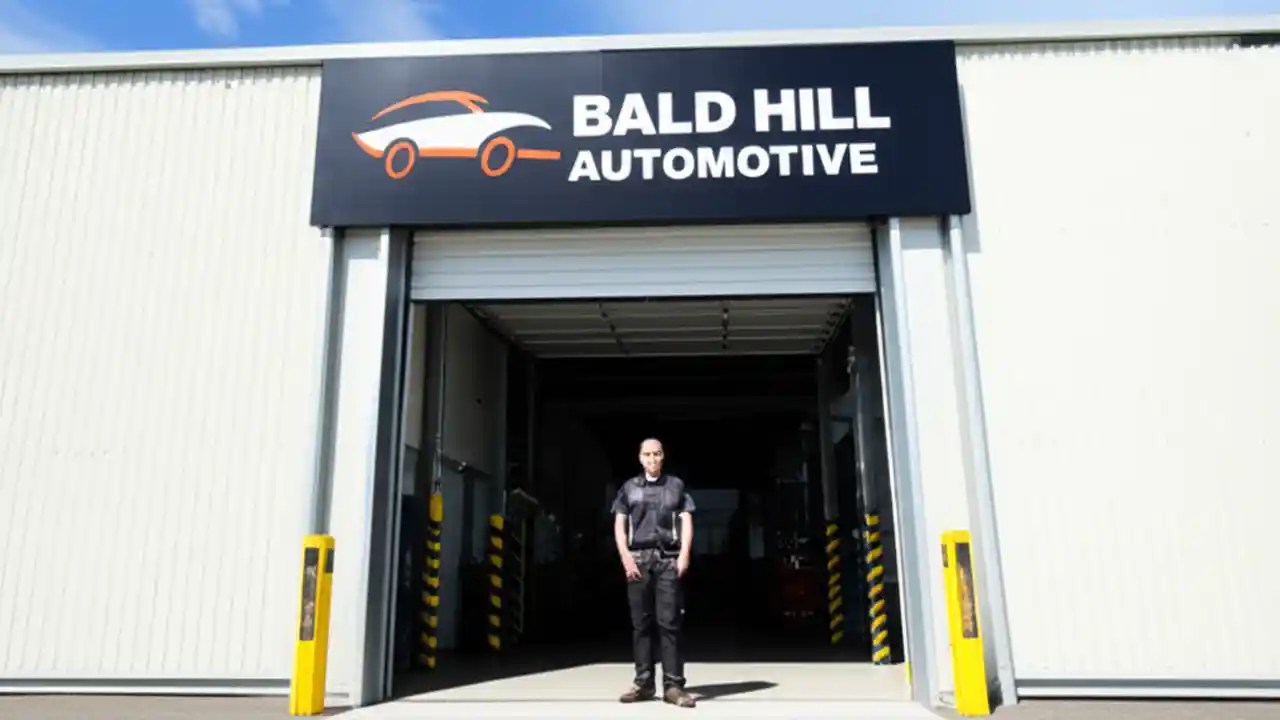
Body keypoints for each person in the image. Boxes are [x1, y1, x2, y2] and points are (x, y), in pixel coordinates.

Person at [611, 437, 697, 708]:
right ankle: (644, 683)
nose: (651, 459)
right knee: (641, 625)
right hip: (637, 561)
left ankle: (673, 686)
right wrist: (625, 557)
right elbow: (619, 523)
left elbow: (686, 519)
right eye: (646, 454)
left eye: (656, 454)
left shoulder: (676, 486)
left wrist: (684, 554)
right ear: (640, 458)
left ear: (663, 456)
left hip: (668, 561)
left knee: (669, 623)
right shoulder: (629, 488)